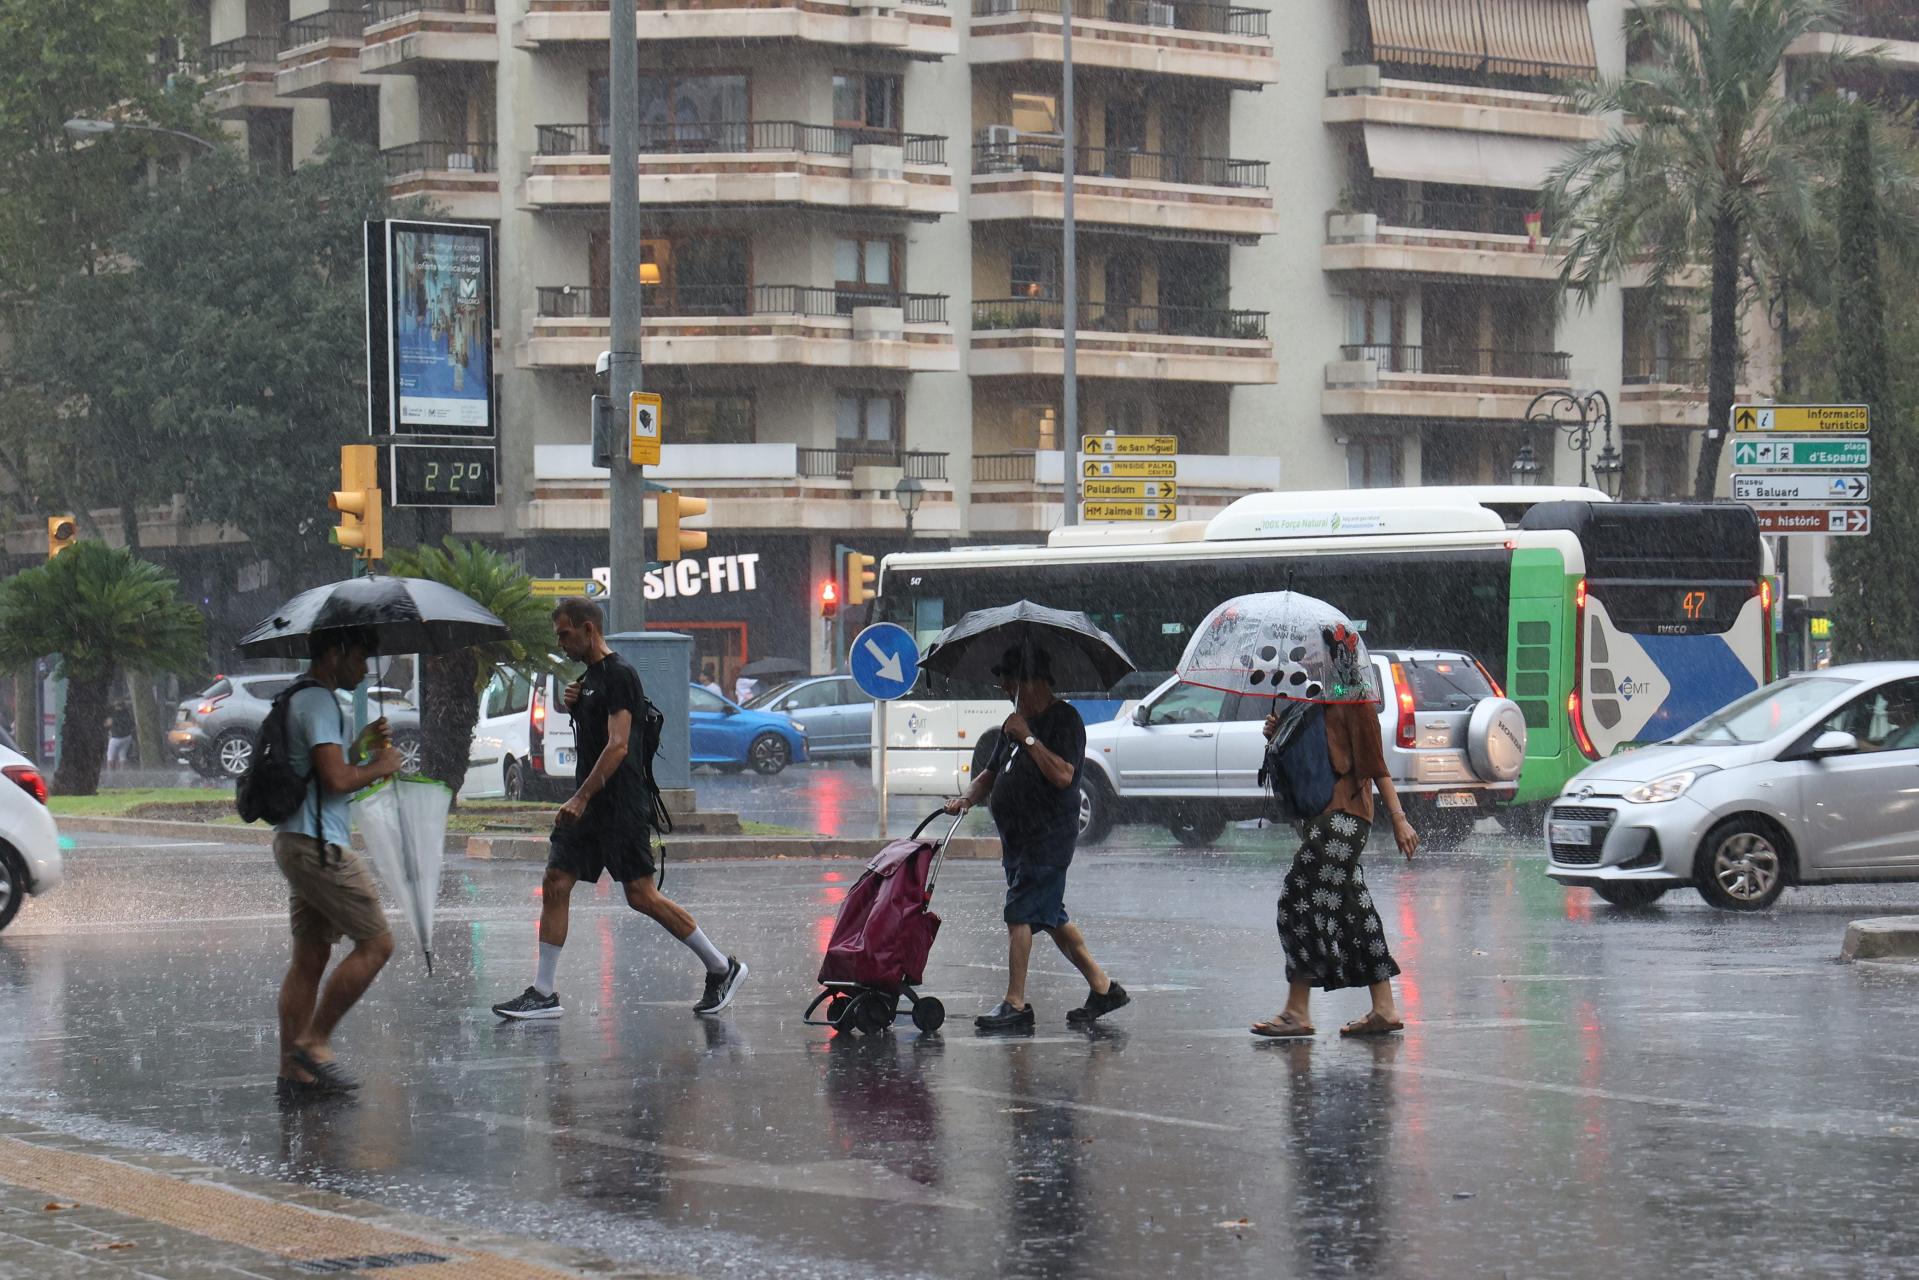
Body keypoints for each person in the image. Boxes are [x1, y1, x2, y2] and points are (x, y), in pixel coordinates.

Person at [494, 598, 746, 1020]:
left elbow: (619, 745)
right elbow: (597, 734)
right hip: (591, 807)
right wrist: (578, 705)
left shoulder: (621, 675)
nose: (561, 643)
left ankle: (722, 966)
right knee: (556, 880)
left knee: (641, 896)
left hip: (617, 804)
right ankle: (543, 993)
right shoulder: (592, 678)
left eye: (565, 634)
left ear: (589, 628)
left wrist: (580, 797)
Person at [945, 646, 1128, 1031]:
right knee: (1050, 917)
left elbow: (1063, 775)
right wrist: (967, 799)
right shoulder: (1012, 724)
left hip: (1048, 840)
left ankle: (1016, 1003)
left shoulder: (1064, 721)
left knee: (1020, 914)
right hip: (1018, 841)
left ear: (1034, 682)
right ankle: (1104, 988)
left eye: (1010, 683)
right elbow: (990, 773)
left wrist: (1028, 739)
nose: (1005, 691)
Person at [273, 627, 405, 1100]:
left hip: (295, 839)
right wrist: (380, 766)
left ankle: (294, 1073)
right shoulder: (321, 703)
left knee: (309, 960)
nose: (366, 670)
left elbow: (322, 768)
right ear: (336, 654)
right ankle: (315, 1042)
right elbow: (335, 780)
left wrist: (362, 745)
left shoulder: (301, 698)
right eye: (362, 659)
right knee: (378, 943)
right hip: (320, 848)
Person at [1251, 688, 1420, 1040]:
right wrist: (1278, 733)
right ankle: (1384, 1007)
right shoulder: (1314, 701)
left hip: (1344, 820)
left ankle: (1297, 1010)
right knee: (1354, 911)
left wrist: (1399, 819)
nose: (1309, 659)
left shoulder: (1355, 702)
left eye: (1316, 652)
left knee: (1295, 904)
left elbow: (1376, 766)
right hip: (1323, 820)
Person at [105, 702, 135, 768]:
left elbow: (107, 724)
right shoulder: (127, 713)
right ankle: (122, 774)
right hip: (127, 737)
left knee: (110, 758)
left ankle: (111, 775)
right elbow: (132, 724)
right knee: (122, 756)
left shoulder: (113, 714)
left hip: (116, 738)